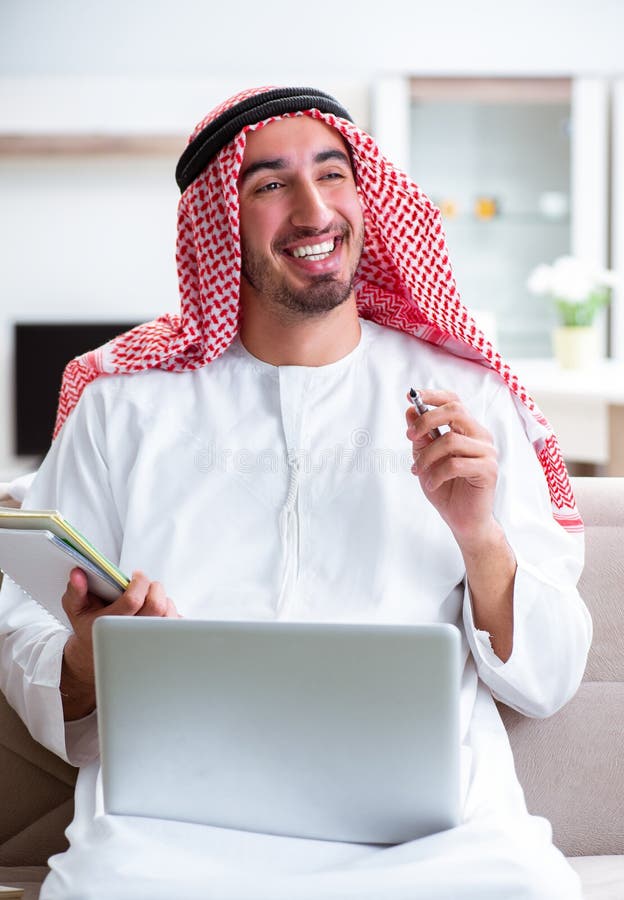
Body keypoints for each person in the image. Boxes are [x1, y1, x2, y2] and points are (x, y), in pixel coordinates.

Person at [0, 86, 592, 899]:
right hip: (166, 842)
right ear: (220, 224)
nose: (315, 211)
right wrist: (88, 657)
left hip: (443, 843)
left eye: (333, 173)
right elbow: (26, 629)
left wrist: (481, 536)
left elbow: (551, 678)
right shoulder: (120, 408)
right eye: (271, 184)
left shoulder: (467, 401)